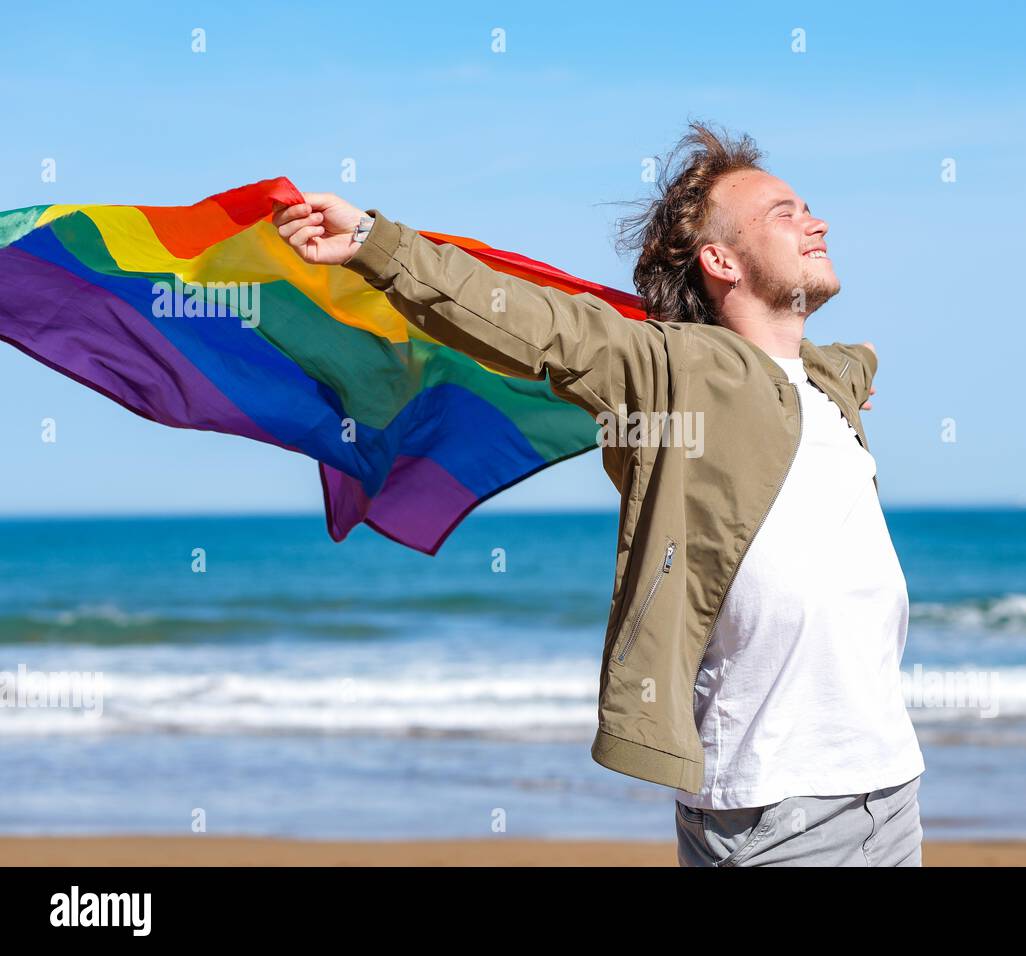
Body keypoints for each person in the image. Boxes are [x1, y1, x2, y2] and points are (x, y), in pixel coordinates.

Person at [273, 121, 924, 867]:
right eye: (785, 213)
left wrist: (859, 368)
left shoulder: (826, 380)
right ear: (721, 260)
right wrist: (373, 241)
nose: (817, 222)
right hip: (772, 803)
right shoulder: (664, 367)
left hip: (892, 789)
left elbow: (857, 357)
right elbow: (532, 322)